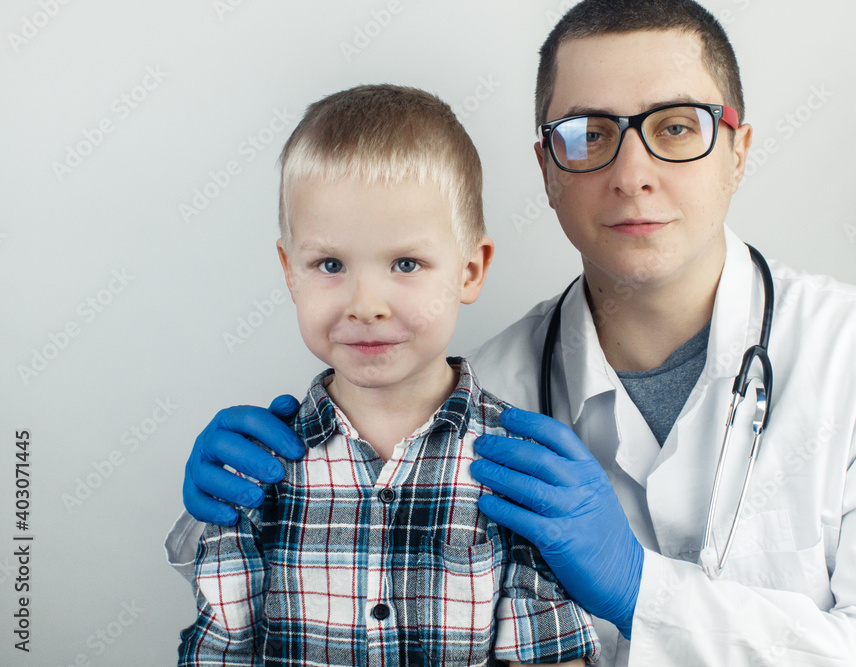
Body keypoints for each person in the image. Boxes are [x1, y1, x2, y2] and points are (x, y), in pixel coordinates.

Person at [168, 1, 856, 664]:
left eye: (676, 127)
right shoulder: (485, 394)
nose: (632, 172)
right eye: (588, 134)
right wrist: (210, 519)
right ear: (546, 170)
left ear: (738, 150)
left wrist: (641, 590)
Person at [176, 84, 599, 666]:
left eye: (406, 263)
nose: (366, 303)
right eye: (330, 264)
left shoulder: (511, 469)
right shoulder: (254, 473)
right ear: (289, 272)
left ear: (470, 271)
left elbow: (550, 657)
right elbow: (220, 651)